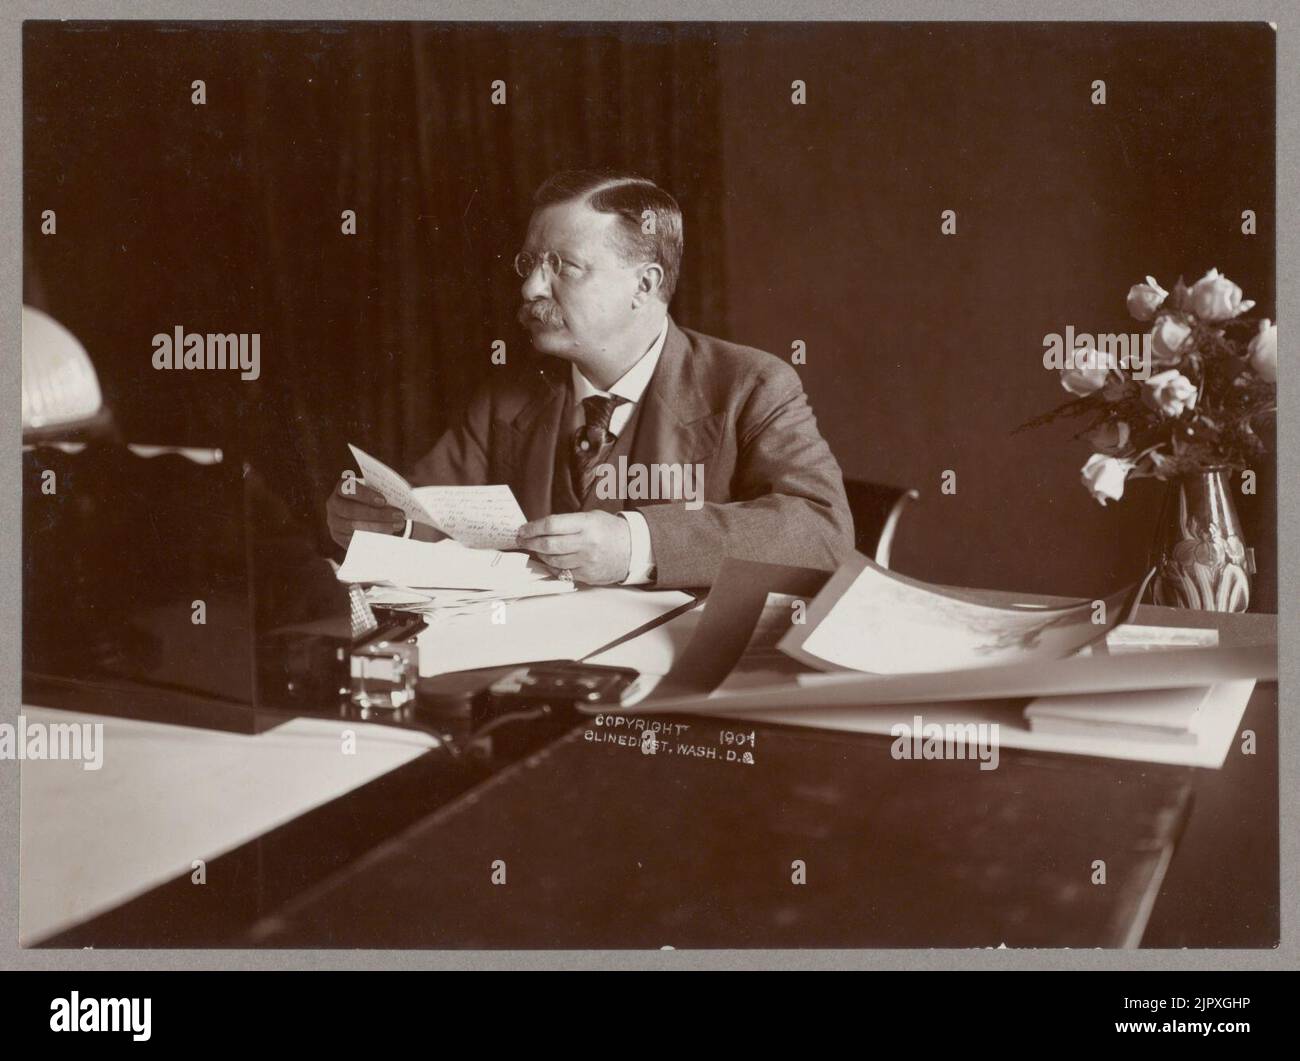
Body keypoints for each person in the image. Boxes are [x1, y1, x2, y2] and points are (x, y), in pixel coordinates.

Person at [327, 169, 853, 589]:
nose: (532, 287)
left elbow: (823, 533)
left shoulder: (751, 385)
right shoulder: (509, 396)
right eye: (531, 263)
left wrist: (636, 545)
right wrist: (388, 526)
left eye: (564, 267)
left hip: (682, 675)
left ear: (644, 285)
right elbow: (434, 509)